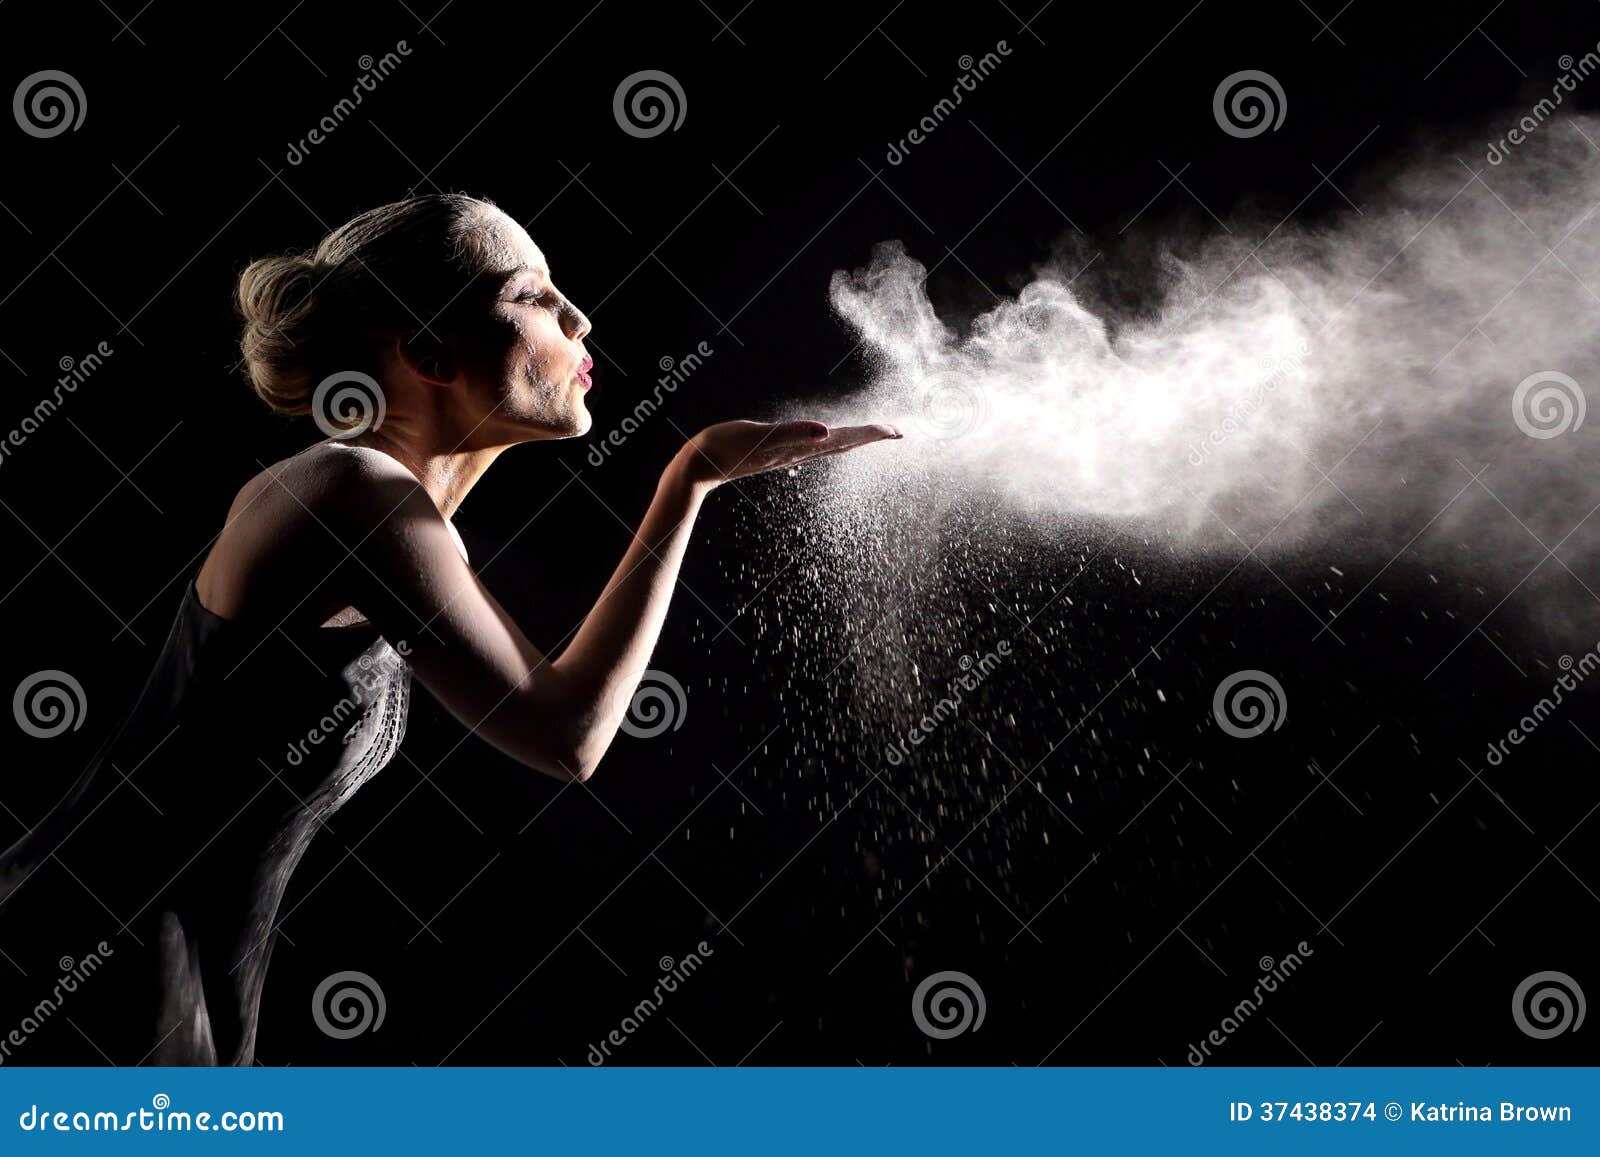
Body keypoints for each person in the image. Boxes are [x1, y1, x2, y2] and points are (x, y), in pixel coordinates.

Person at [0, 193, 899, 1065]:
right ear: (429, 350)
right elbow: (567, 735)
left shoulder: (398, 519)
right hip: (74, 976)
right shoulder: (351, 489)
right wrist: (689, 479)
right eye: (531, 295)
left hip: (166, 995)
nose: (578, 318)